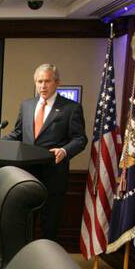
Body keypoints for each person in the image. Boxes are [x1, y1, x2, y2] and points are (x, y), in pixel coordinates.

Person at [14, 63, 87, 244]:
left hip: (53, 176)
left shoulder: (71, 108)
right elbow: (17, 134)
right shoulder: (27, 105)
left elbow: (80, 139)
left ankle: (47, 264)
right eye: (39, 82)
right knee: (26, 221)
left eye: (47, 81)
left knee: (50, 225)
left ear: (57, 83)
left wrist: (64, 151)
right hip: (28, 174)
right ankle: (25, 260)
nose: (43, 86)